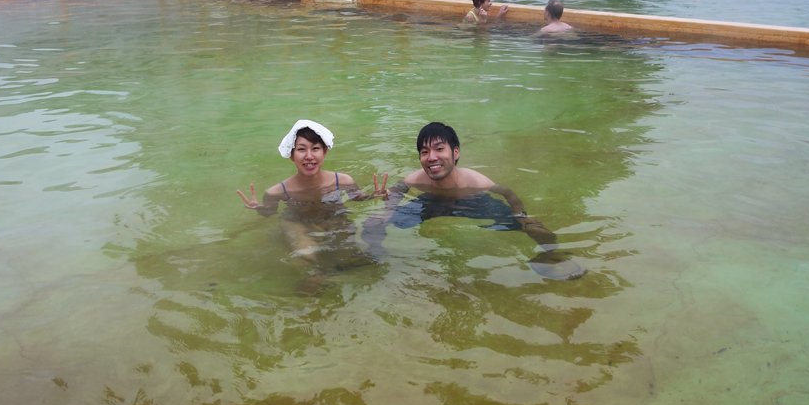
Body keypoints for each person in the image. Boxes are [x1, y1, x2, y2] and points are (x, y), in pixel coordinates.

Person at [362, 122, 585, 280]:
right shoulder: (415, 178)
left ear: (455, 152)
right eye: (424, 151)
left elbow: (508, 193)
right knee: (372, 222)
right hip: (430, 203)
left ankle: (551, 254)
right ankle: (375, 258)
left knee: (531, 224)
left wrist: (520, 215)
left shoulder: (475, 181)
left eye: (439, 149)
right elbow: (398, 190)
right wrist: (386, 208)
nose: (431, 157)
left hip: (472, 202)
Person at [237, 120, 387, 276]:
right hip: (297, 221)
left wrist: (373, 196)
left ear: (324, 152)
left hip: (332, 217)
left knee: (347, 250)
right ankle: (318, 276)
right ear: (291, 155)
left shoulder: (342, 181)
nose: (309, 156)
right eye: (301, 149)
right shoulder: (277, 192)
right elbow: (269, 213)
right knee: (305, 253)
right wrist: (259, 208)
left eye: (315, 149)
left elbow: (357, 198)